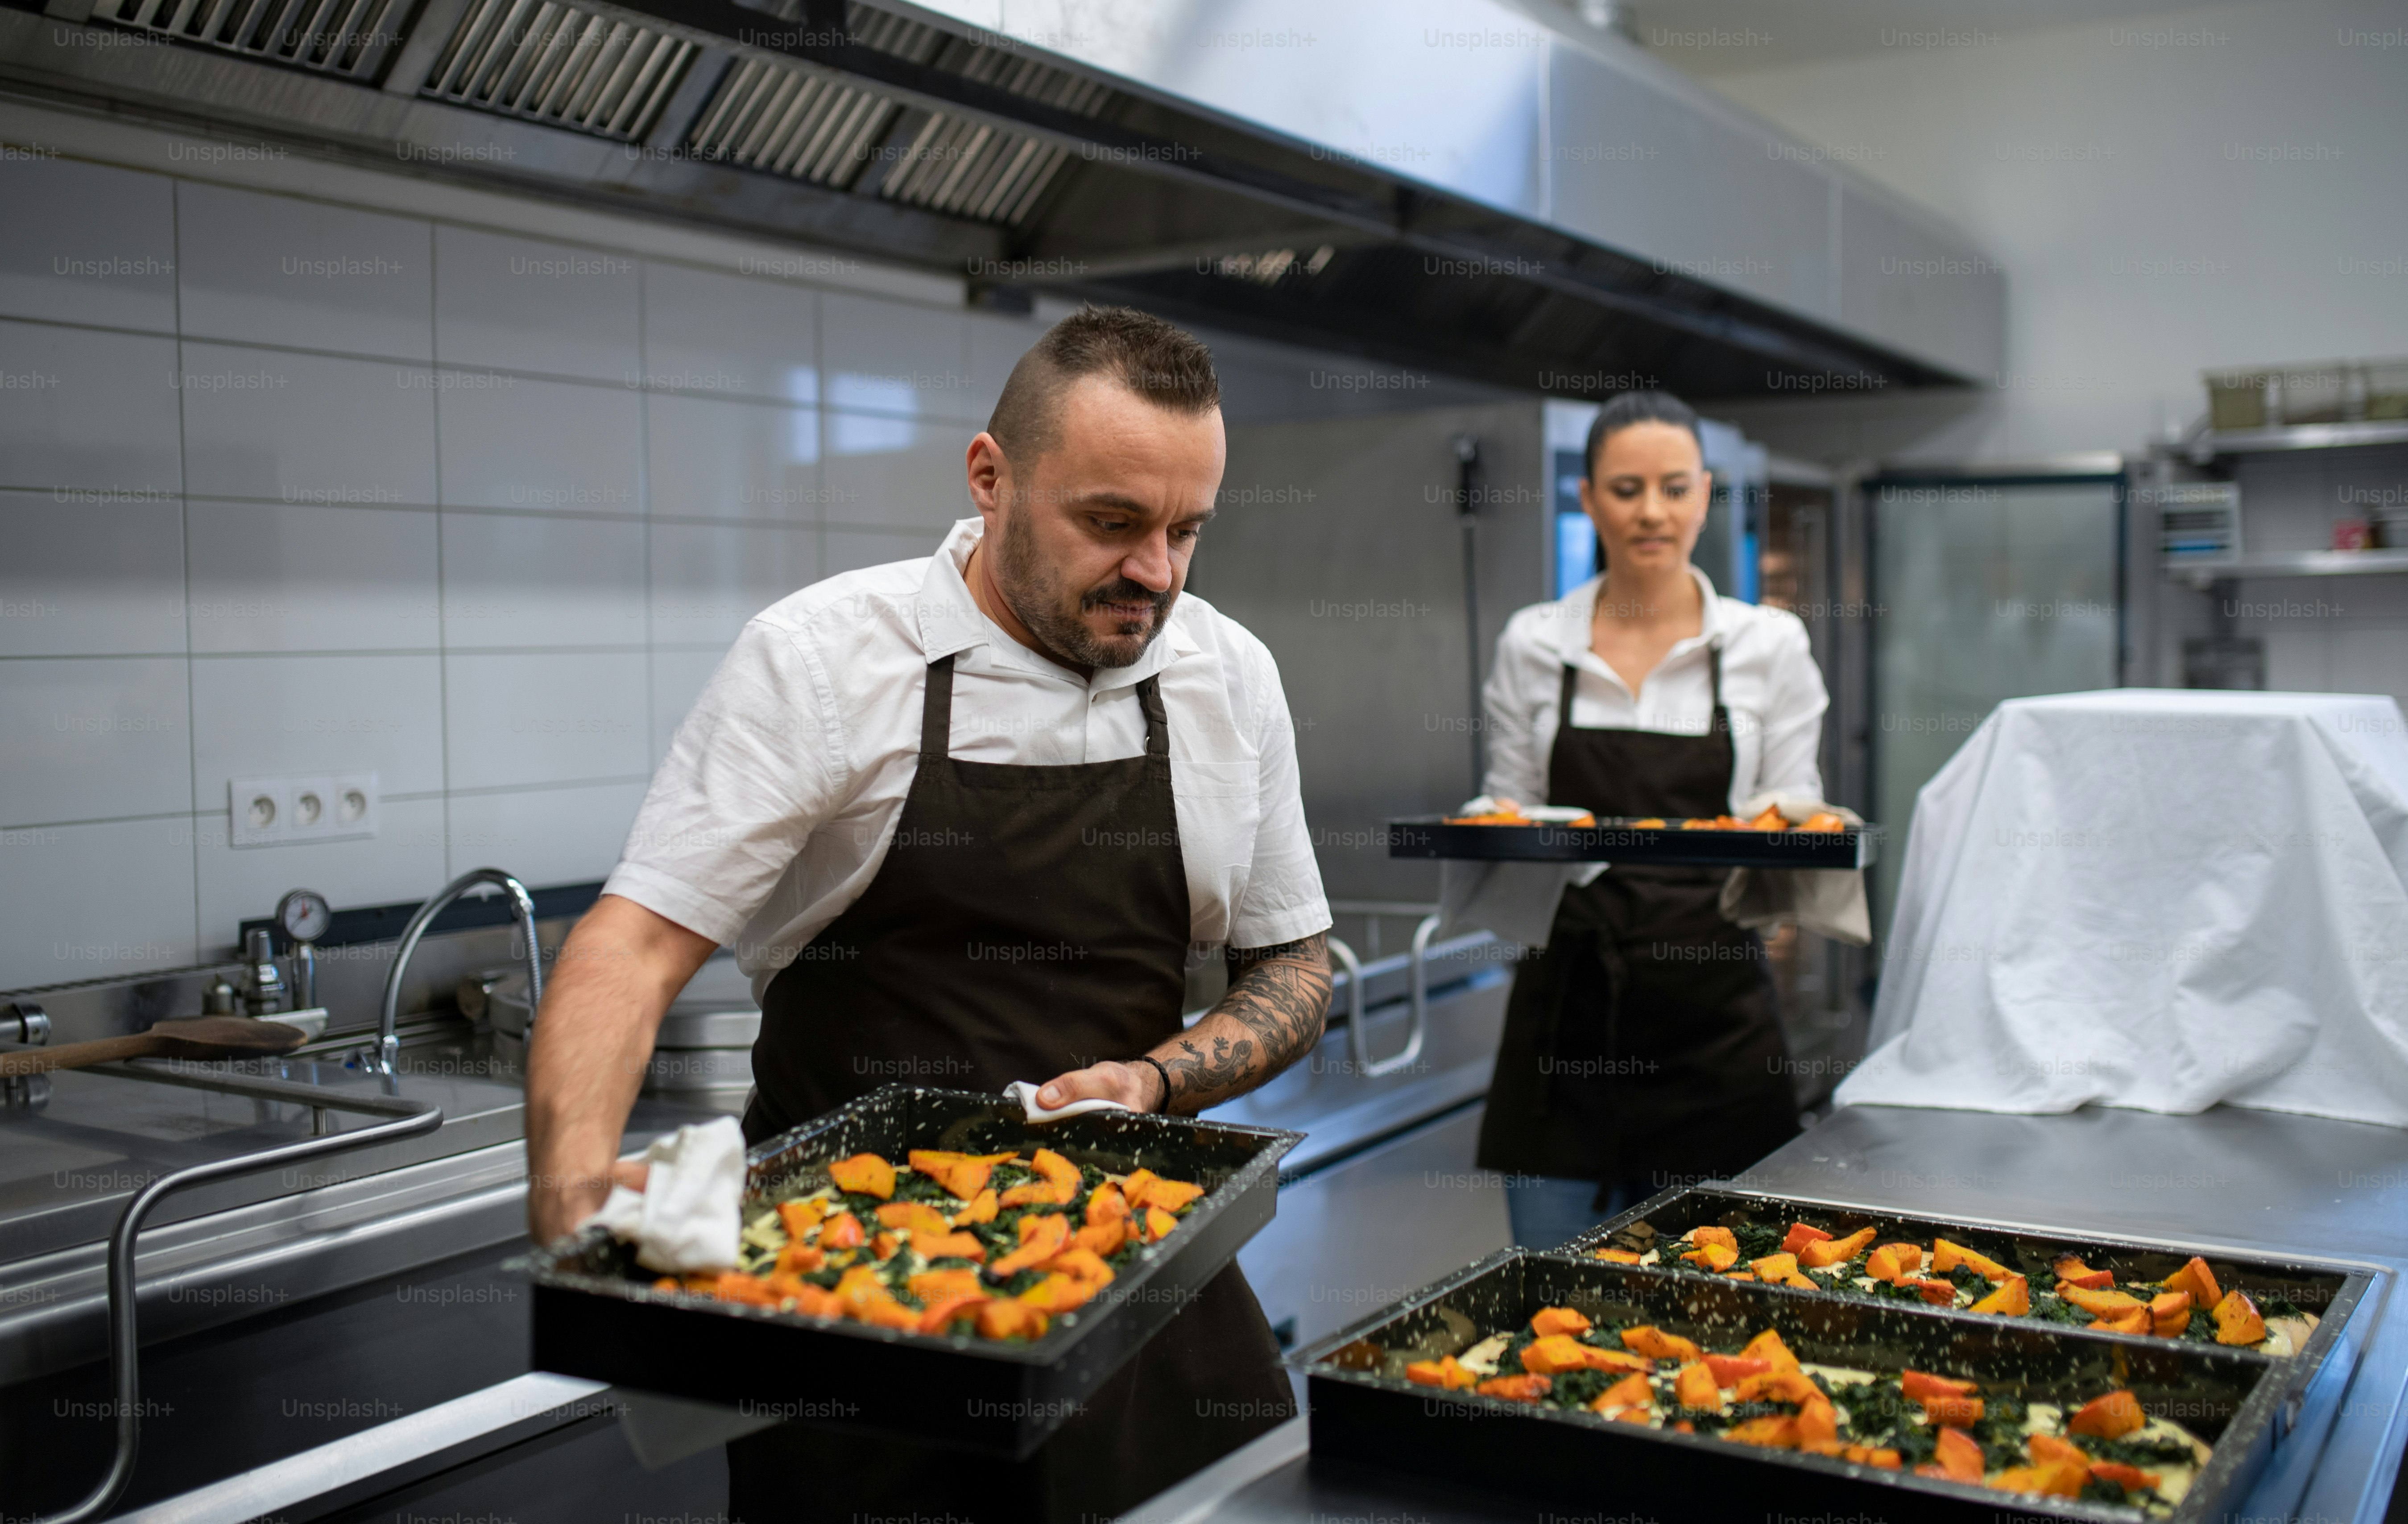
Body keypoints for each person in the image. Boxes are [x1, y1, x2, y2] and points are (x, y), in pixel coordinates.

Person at [520, 306, 1333, 1522]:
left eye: (1184, 531)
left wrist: (1155, 1082)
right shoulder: (824, 660)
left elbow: (1294, 967)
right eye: (1110, 523)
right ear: (989, 477)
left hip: (1130, 1274)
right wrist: (572, 1184)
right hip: (854, 1308)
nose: (1154, 573)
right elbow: (633, 945)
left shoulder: (1228, 674)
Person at [1474, 391, 1829, 1252]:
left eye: (1673, 488)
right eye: (1625, 489)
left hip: (1717, 1034)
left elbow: (1793, 812)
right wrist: (1486, 826)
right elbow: (1509, 805)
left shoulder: (1766, 647)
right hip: (1565, 1028)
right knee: (1550, 1310)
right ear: (1588, 499)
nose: (1651, 512)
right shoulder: (1535, 641)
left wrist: (1811, 829)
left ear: (1705, 495)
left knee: (1727, 1322)